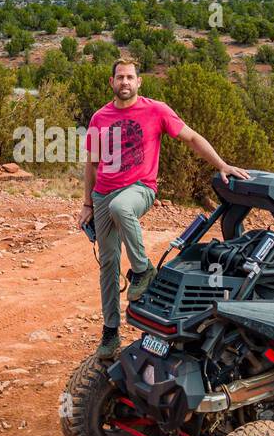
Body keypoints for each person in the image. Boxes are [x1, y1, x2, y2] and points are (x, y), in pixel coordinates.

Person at [79, 58, 252, 359]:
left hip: (139, 189)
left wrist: (222, 165)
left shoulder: (156, 110)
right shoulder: (99, 118)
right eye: (120, 78)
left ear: (139, 81)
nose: (125, 83)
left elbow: (193, 138)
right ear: (111, 82)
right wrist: (86, 203)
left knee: (123, 207)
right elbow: (92, 164)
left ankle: (144, 270)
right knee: (107, 264)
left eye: (130, 77)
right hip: (103, 194)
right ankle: (110, 333)